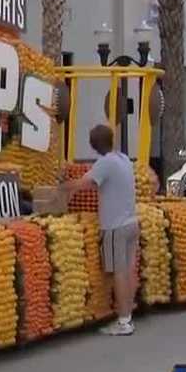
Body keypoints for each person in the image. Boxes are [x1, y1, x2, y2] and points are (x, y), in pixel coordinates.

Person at [61, 125, 138, 335]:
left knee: (119, 274)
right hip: (132, 223)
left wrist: (61, 188)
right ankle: (128, 317)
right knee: (130, 271)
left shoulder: (105, 163)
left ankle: (123, 323)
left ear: (94, 145)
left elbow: (85, 183)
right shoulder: (123, 159)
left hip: (115, 227)